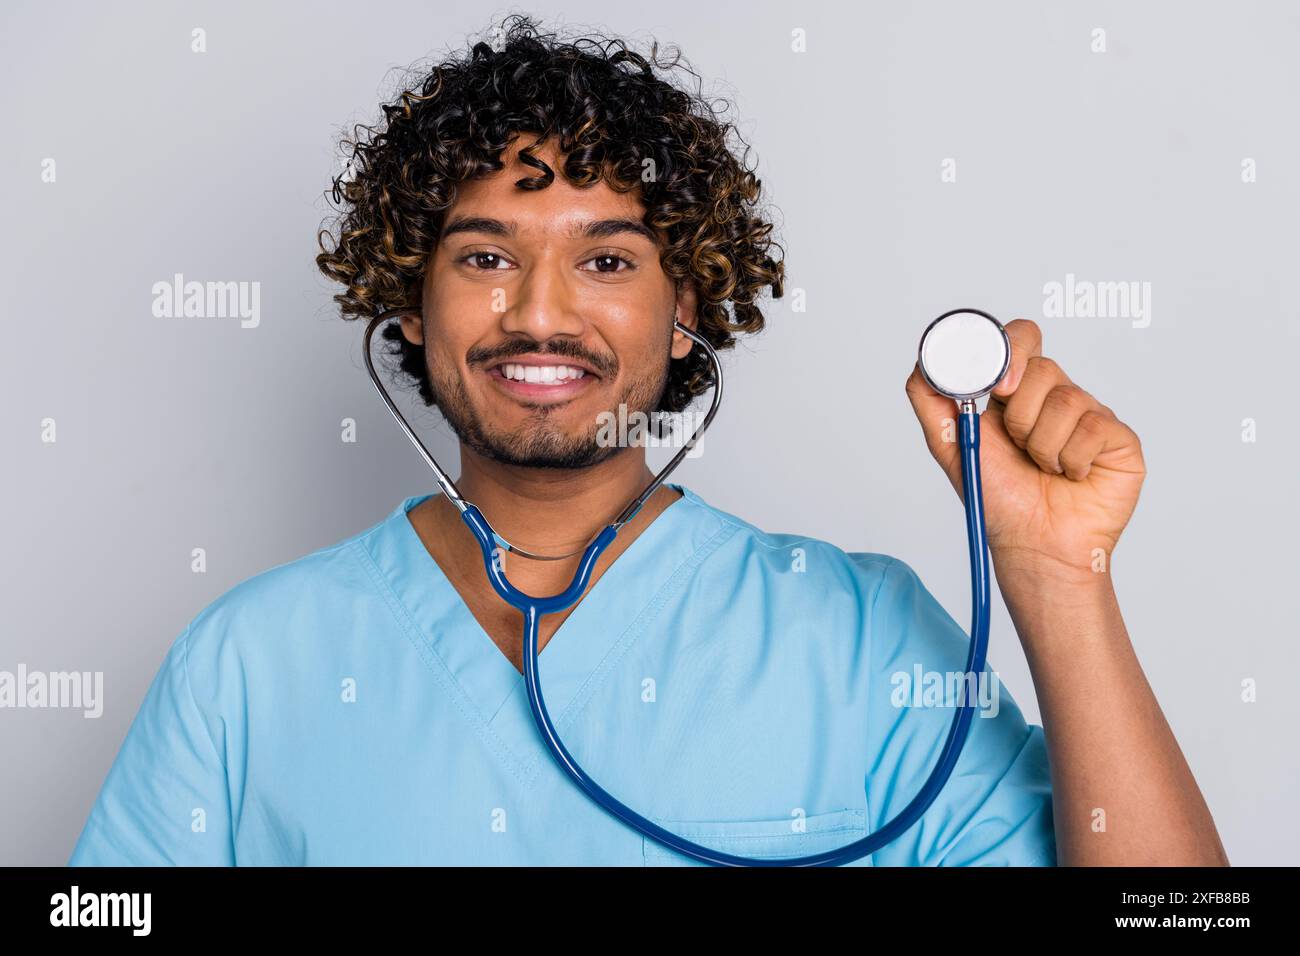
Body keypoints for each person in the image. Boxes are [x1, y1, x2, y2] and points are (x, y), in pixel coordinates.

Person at [68, 15, 1227, 867]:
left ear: (687, 311)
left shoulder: (864, 642)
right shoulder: (244, 668)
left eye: (608, 259)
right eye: (482, 256)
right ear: (408, 307)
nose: (537, 312)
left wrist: (1054, 572)